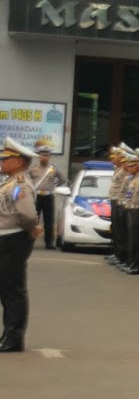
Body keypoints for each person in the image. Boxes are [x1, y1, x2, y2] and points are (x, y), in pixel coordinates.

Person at [0, 138, 41, 352]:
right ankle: (8, 334)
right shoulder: (9, 182)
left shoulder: (20, 185)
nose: (1, 162)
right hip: (5, 238)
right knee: (5, 289)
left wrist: (30, 229)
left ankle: (14, 339)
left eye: (6, 159)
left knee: (12, 290)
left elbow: (27, 214)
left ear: (18, 162)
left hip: (13, 239)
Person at [27, 141, 61, 250]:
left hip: (48, 197)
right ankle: (30, 242)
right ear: (39, 156)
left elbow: (63, 179)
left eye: (47, 155)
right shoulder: (33, 169)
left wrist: (54, 186)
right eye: (42, 155)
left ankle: (49, 243)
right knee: (33, 220)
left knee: (49, 221)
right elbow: (26, 180)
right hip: (36, 197)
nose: (44, 157)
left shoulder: (54, 169)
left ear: (49, 156)